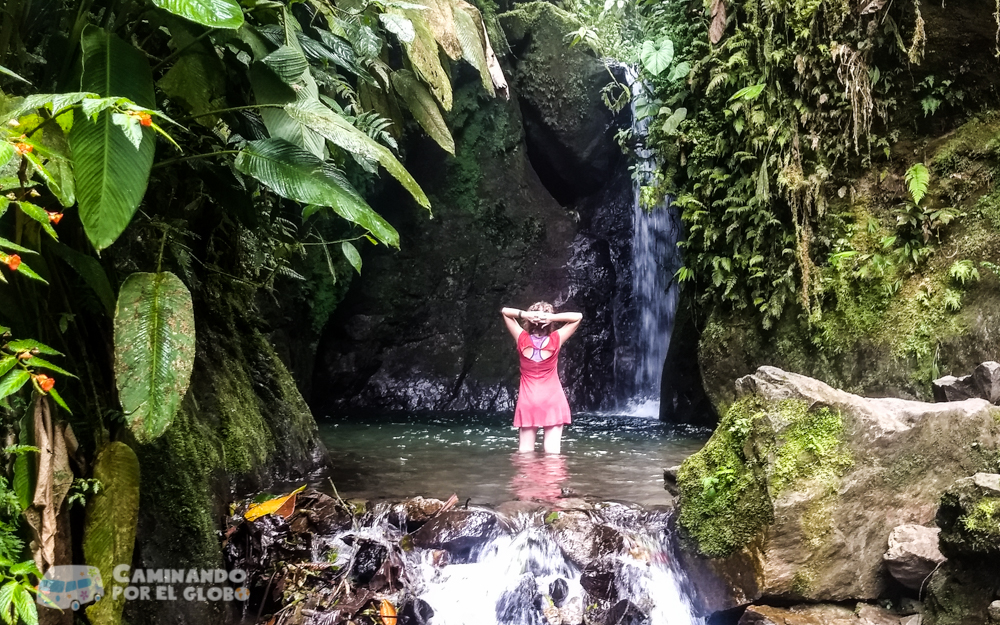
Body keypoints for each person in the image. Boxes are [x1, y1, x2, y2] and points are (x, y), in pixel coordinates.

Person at [500, 302, 583, 453]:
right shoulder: (556, 338)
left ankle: (527, 477)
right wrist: (552, 317)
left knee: (525, 453)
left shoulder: (521, 338)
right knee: (552, 454)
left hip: (528, 400)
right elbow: (578, 317)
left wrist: (524, 314)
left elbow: (505, 312)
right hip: (553, 400)